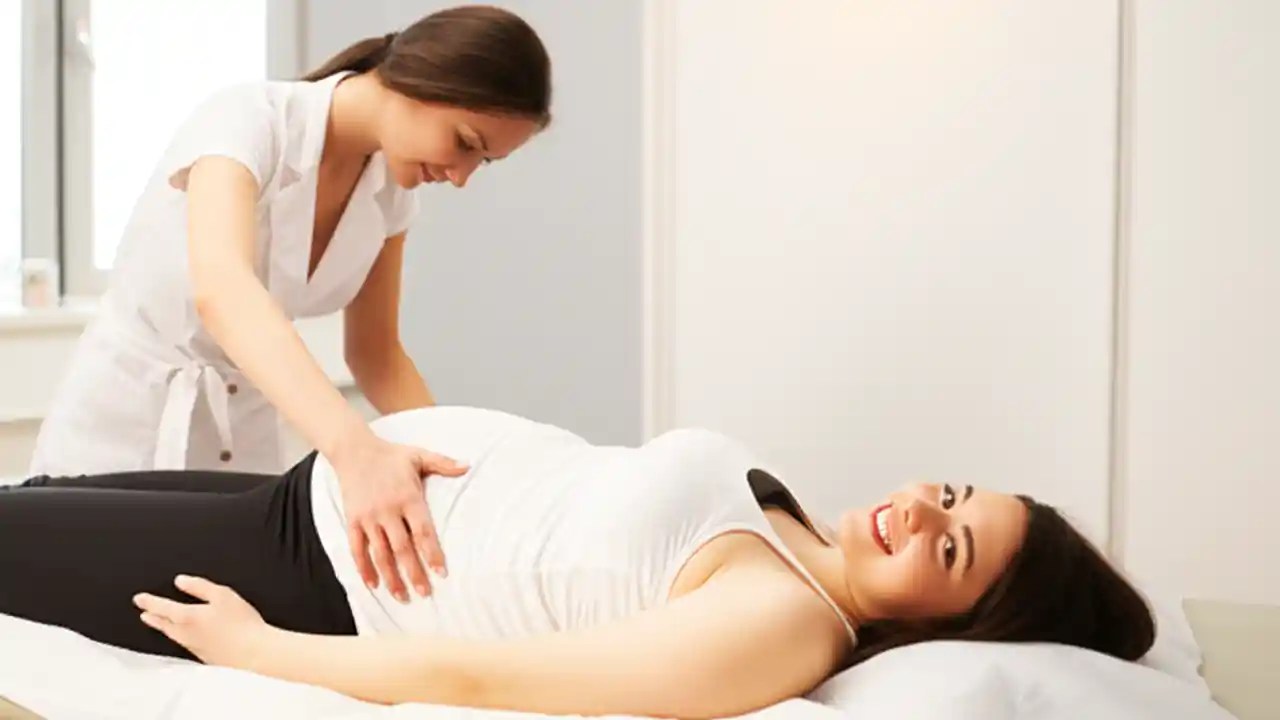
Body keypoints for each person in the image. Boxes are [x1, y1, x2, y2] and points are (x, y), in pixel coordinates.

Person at [1, 406, 1155, 719]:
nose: (914, 508)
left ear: (957, 626)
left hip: (322, 576)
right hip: (321, 493)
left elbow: (490, 684)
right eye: (946, 491)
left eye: (947, 547)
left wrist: (261, 652)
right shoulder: (798, 533)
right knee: (30, 501)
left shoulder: (787, 627)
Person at [29, 6, 552, 602]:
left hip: (244, 441)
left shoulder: (389, 198)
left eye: (482, 162)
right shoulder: (247, 122)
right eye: (464, 143)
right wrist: (356, 454)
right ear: (424, 81)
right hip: (126, 423)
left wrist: (462, 461)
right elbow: (224, 291)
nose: (461, 176)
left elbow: (376, 354)